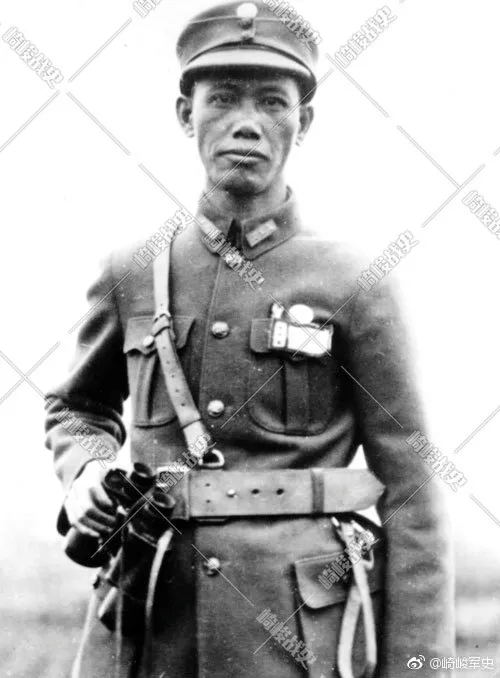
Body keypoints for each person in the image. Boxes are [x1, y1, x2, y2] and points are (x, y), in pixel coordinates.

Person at [45, 2, 455, 676]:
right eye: (224, 98)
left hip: (298, 636)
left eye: (271, 102)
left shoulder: (354, 282)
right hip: (148, 624)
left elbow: (410, 487)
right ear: (186, 115)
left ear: (304, 122)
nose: (246, 123)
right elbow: (76, 407)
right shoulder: (132, 271)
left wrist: (418, 667)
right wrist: (86, 470)